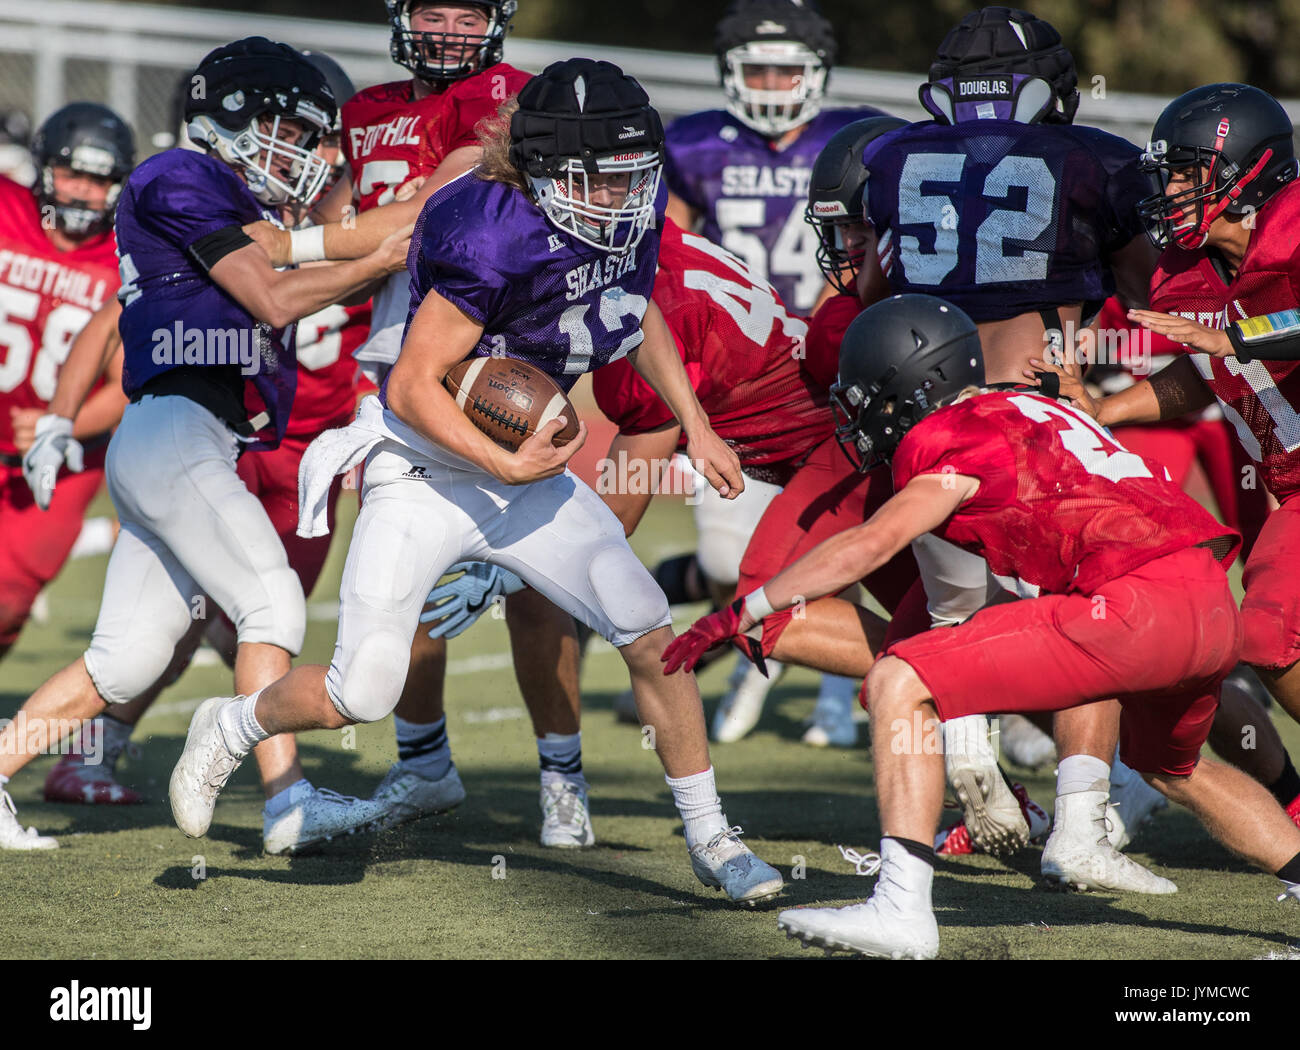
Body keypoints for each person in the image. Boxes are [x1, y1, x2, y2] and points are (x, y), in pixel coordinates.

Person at [169, 58, 785, 906]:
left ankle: (713, 838)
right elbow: (414, 384)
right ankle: (233, 723)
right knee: (364, 690)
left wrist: (699, 423)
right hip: (422, 469)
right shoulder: (486, 226)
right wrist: (504, 463)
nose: (622, 195)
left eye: (633, 175)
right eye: (603, 177)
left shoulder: (623, 217)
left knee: (649, 630)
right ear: (546, 169)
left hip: (526, 474)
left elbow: (636, 312)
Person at [666, 293, 1300, 958]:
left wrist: (749, 609)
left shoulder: (946, 437)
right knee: (1177, 769)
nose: (861, 418)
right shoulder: (1034, 406)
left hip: (1134, 607)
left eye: (867, 399)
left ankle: (902, 910)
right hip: (1206, 596)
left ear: (910, 385)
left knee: (897, 677)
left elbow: (873, 544)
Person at [0, 37, 409, 852]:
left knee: (125, 661)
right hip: (175, 429)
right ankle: (277, 792)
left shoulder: (228, 203)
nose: (304, 153)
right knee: (273, 603)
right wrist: (382, 259)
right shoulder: (179, 174)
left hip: (187, 439)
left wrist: (431, 214)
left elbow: (309, 246)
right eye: (289, 131)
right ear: (231, 118)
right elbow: (276, 294)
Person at [1032, 82, 1300, 830]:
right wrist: (1105, 409)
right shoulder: (1183, 271)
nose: (1174, 190)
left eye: (1189, 172)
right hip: (1294, 482)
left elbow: (1232, 346)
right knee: (1266, 639)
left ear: (1248, 170)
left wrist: (1238, 337)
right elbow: (1200, 373)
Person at [663, 0, 888, 743]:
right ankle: (755, 640)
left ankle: (833, 694)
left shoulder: (854, 137)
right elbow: (672, 256)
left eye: (785, 68)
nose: (769, 82)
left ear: (818, 73)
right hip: (743, 370)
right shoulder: (696, 144)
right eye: (755, 66)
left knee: (836, 526)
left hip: (831, 352)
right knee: (731, 557)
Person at [0, 103, 132, 666]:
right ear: (44, 168)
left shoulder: (130, 254)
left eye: (99, 180)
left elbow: (128, 386)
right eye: (73, 173)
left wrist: (64, 425)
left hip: (61, 457)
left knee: (6, 602)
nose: (82, 192)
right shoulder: (7, 208)